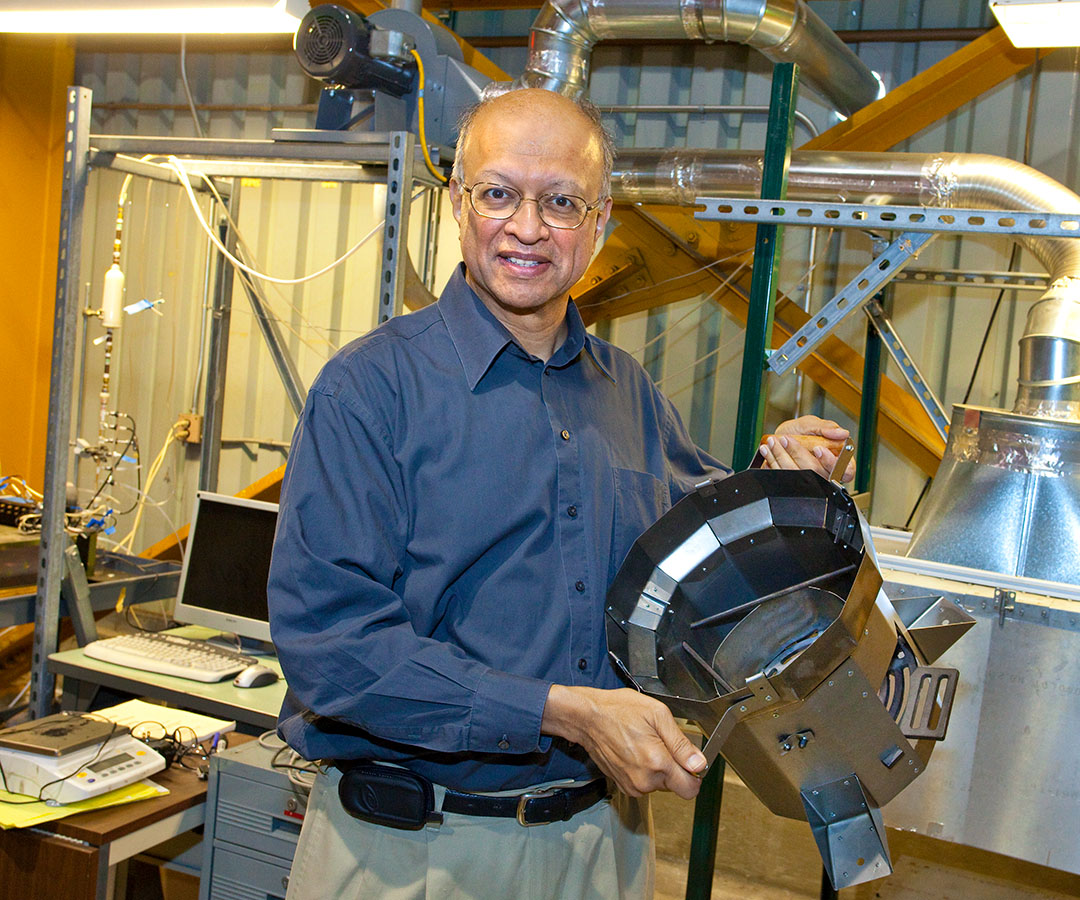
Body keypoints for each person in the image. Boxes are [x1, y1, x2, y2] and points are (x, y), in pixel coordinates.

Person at [268, 87, 852, 900]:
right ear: (457, 203)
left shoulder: (628, 393)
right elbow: (334, 649)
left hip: (602, 843)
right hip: (414, 855)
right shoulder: (369, 391)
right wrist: (565, 711)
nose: (528, 227)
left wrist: (781, 485)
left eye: (561, 202)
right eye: (498, 193)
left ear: (600, 222)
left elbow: (695, 561)